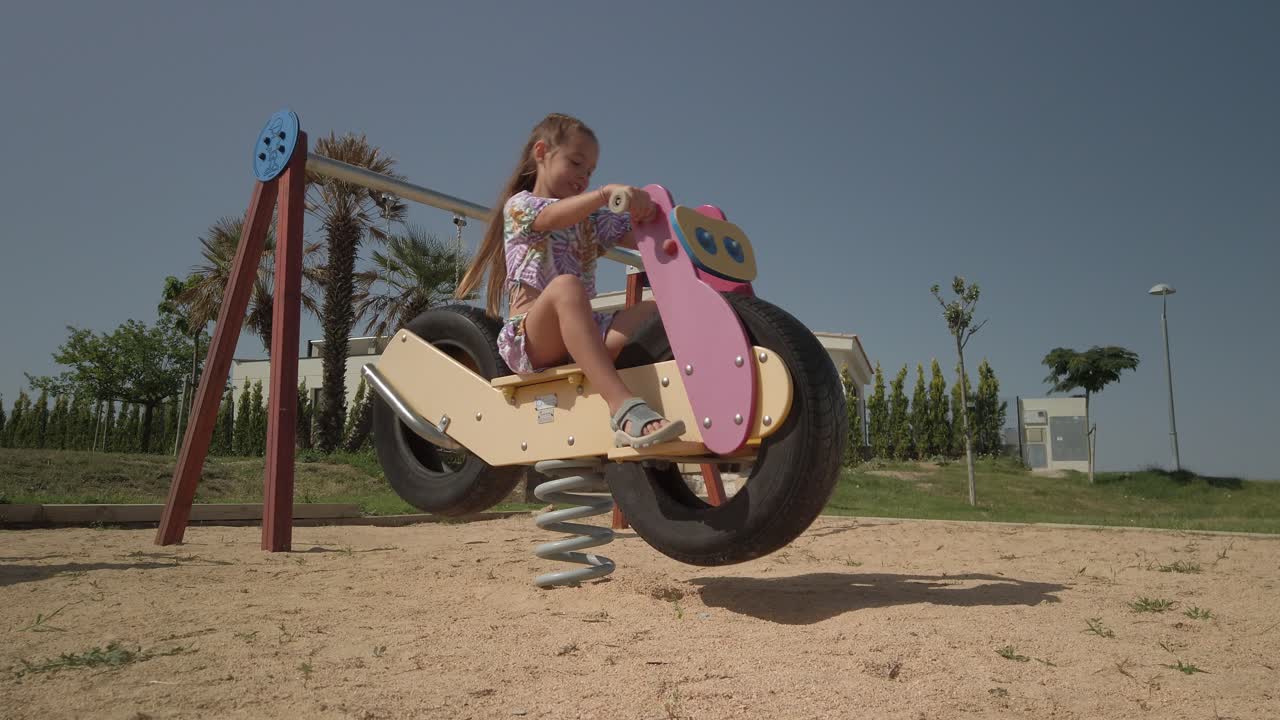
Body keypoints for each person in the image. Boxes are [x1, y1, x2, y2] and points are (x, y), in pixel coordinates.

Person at [455, 113, 686, 449]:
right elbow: (552, 217)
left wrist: (653, 217)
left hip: (584, 333)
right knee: (566, 286)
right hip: (534, 340)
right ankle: (622, 407)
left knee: (656, 309)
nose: (584, 176)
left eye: (590, 171)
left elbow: (638, 235)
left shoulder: (589, 218)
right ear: (541, 152)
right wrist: (604, 194)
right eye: (576, 163)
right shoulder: (521, 206)